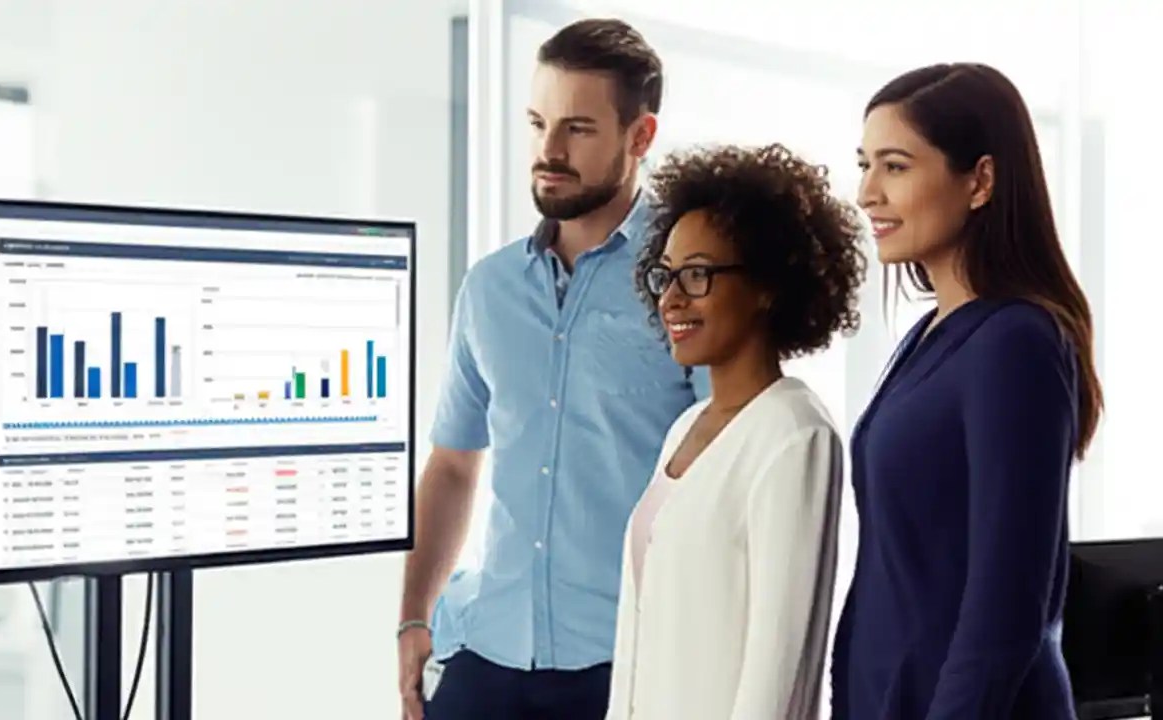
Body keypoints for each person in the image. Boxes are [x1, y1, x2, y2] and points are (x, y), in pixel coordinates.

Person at [396, 19, 708, 720]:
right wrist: (414, 616)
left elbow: (725, 480)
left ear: (641, 136)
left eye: (578, 128)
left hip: (625, 661)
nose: (549, 151)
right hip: (488, 648)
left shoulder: (688, 283)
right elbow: (452, 465)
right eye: (538, 122)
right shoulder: (489, 287)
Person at [833, 63, 1104, 719]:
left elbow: (1007, 611)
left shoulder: (1016, 342)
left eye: (894, 166)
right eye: (864, 164)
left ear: (980, 180)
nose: (867, 192)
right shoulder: (929, 334)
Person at [603, 143, 867, 719]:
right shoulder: (684, 430)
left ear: (768, 285)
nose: (672, 298)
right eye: (665, 276)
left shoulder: (795, 433)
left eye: (697, 275)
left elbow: (778, 668)